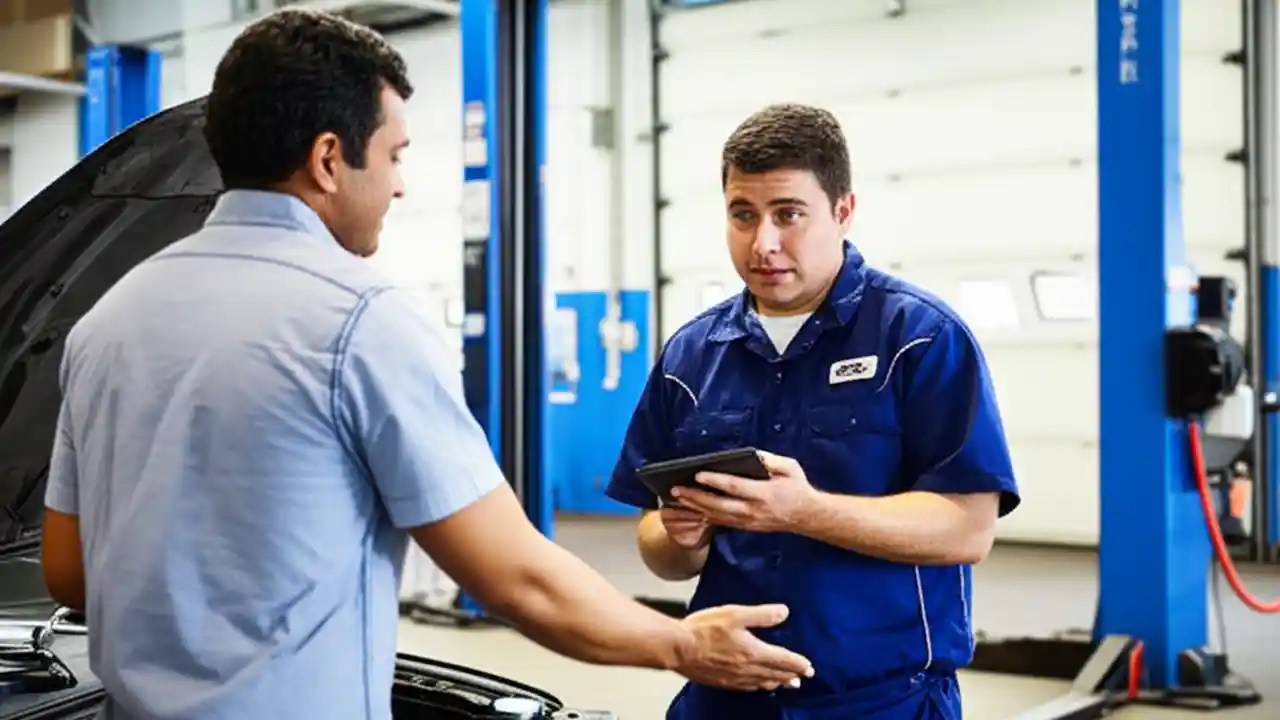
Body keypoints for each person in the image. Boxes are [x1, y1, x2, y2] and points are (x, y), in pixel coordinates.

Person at [38, 10, 813, 720]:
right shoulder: (358, 321)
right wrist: (681, 645)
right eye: (394, 154)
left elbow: (72, 573)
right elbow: (516, 578)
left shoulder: (106, 322)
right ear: (329, 159)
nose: (402, 183)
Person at [606, 103, 1022, 720]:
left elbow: (967, 528)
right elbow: (658, 546)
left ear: (843, 210)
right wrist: (679, 536)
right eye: (742, 216)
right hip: (722, 696)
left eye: (788, 215)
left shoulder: (919, 338)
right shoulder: (690, 356)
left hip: (883, 702)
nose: (763, 243)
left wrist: (806, 512)